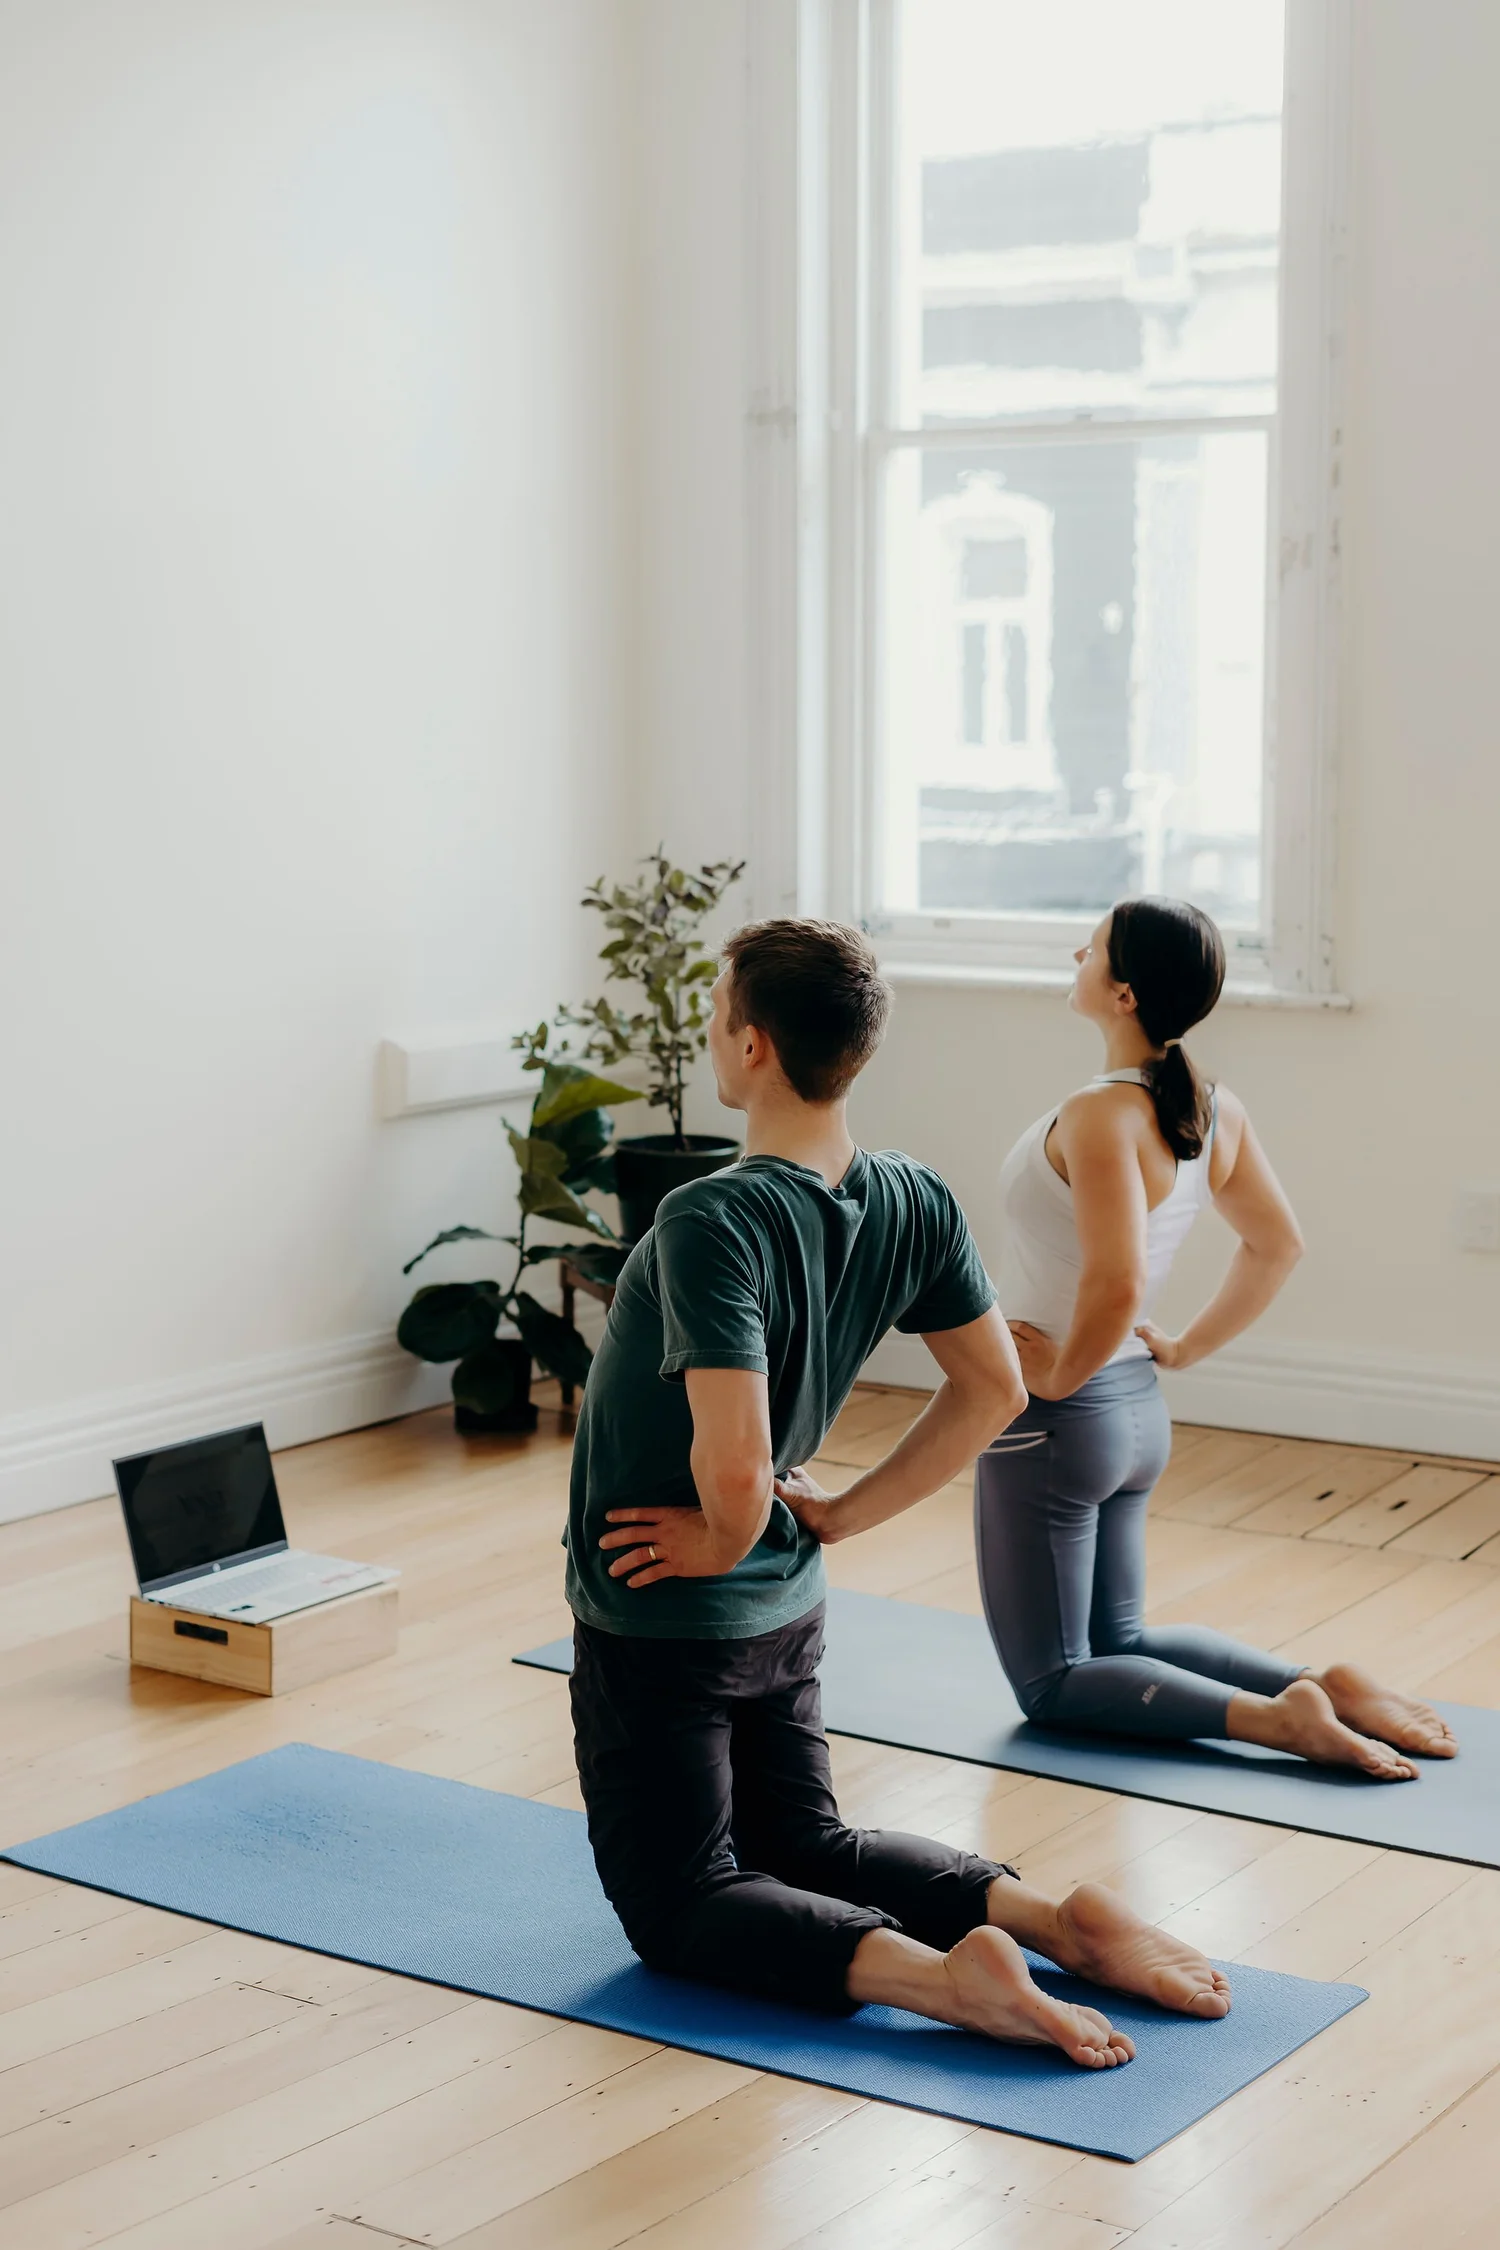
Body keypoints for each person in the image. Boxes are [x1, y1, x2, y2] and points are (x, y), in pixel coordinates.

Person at [565, 915, 1232, 2069]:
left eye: (718, 1013)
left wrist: (726, 1534)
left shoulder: (708, 1217)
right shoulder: (909, 1196)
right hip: (790, 1603)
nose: (714, 1034)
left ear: (754, 1045)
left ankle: (945, 1982)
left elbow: (730, 1467)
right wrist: (837, 1515)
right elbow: (994, 1390)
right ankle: (1046, 1919)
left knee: (680, 1899)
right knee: (807, 1845)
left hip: (665, 1608)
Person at [978, 895, 1457, 1780]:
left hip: (1060, 1421)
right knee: (1119, 1638)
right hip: (1136, 1411)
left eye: (1093, 948)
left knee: (1052, 1681)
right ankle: (1322, 1683)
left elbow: (1115, 1279)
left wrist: (1056, 1376)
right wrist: (1186, 1349)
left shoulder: (1098, 1114)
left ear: (1123, 994)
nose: (1078, 953)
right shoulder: (1210, 1105)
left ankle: (1278, 1720)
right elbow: (1278, 1244)